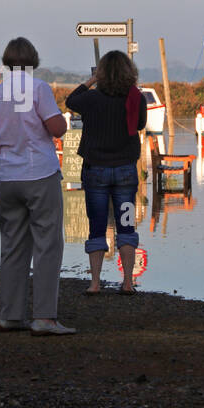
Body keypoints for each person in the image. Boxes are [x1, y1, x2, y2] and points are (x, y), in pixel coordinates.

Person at [0, 38, 74, 336]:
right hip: (39, 172)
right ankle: (44, 317)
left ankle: (10, 315)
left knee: (12, 244)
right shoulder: (38, 89)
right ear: (33, 59)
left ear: (7, 60)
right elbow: (57, 128)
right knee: (47, 243)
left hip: (7, 176)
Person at [66, 50, 147, 294]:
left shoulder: (91, 99)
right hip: (125, 173)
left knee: (97, 225)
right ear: (128, 72)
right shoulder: (136, 98)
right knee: (126, 225)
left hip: (96, 171)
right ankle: (128, 283)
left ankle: (94, 283)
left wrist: (90, 81)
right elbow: (141, 125)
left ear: (101, 73)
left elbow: (71, 101)